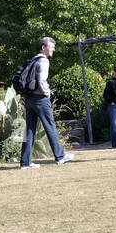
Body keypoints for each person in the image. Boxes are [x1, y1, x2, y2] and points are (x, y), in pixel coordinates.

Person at [20, 37, 73, 169]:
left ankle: (25, 162)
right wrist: (47, 94)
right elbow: (41, 81)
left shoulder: (33, 59)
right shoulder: (43, 61)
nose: (54, 49)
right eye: (52, 46)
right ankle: (60, 156)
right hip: (40, 99)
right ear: (43, 47)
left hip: (29, 98)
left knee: (29, 130)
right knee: (50, 126)